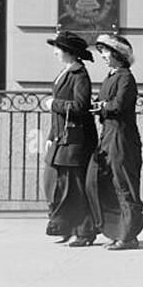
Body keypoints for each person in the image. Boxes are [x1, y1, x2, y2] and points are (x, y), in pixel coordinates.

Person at [86, 32, 143, 249]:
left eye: (106, 51)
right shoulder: (111, 77)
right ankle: (117, 229)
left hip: (122, 138)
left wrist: (102, 106)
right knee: (105, 182)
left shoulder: (126, 77)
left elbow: (119, 105)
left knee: (124, 185)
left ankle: (128, 235)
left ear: (118, 55)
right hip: (108, 137)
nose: (102, 55)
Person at [43, 31, 98, 245]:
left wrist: (52, 104)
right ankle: (64, 226)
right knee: (57, 184)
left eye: (58, 48)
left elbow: (79, 106)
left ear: (69, 52)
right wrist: (50, 135)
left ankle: (84, 232)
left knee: (73, 187)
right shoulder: (67, 72)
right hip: (61, 138)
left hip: (74, 140)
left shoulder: (80, 76)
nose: (55, 52)